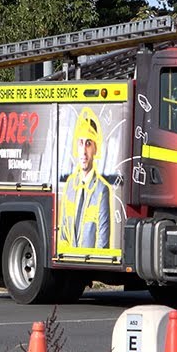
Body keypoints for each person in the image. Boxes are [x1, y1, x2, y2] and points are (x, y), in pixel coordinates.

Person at [58, 107, 119, 252]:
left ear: (95, 149)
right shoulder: (70, 186)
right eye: (81, 143)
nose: (84, 151)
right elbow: (63, 235)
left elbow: (103, 242)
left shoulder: (102, 190)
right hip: (70, 260)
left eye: (88, 143)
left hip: (88, 261)